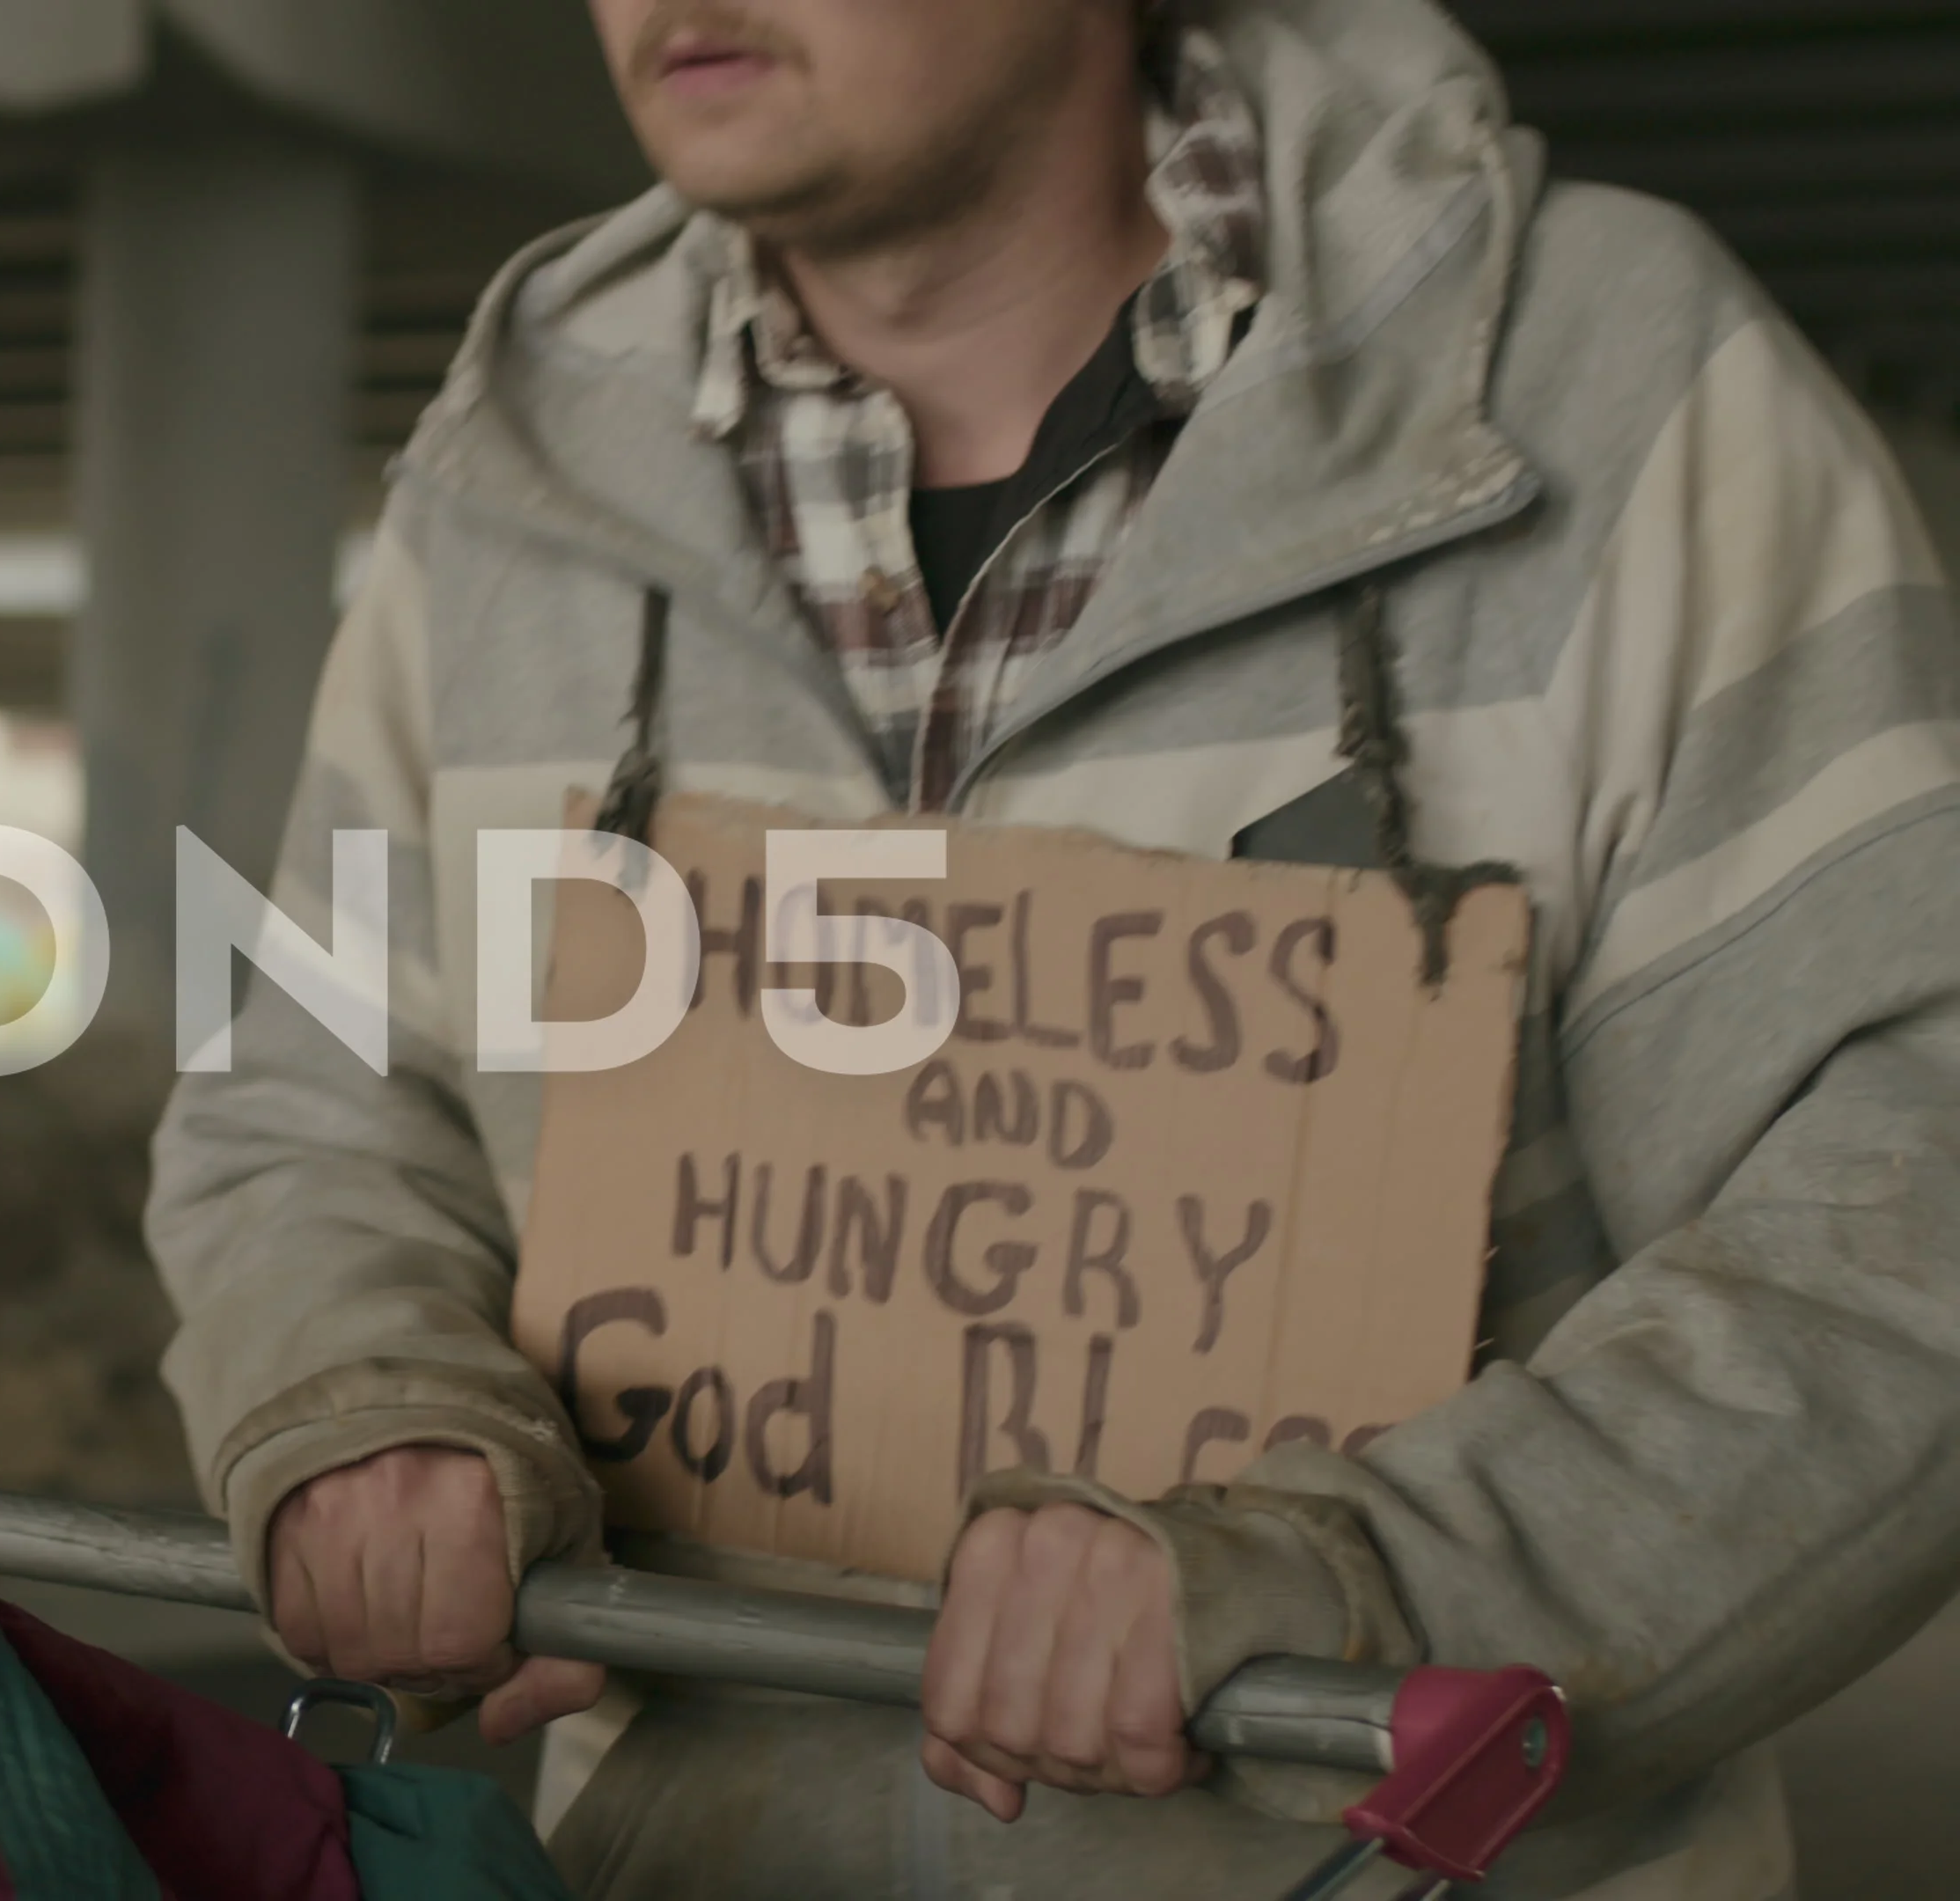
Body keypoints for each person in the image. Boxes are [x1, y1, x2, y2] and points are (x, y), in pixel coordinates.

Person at [145, 0, 1960, 1894]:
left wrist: (1375, 1583)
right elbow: (307, 1101)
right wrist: (363, 1401)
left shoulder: (1596, 375)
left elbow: (1911, 1185)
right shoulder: (516, 465)